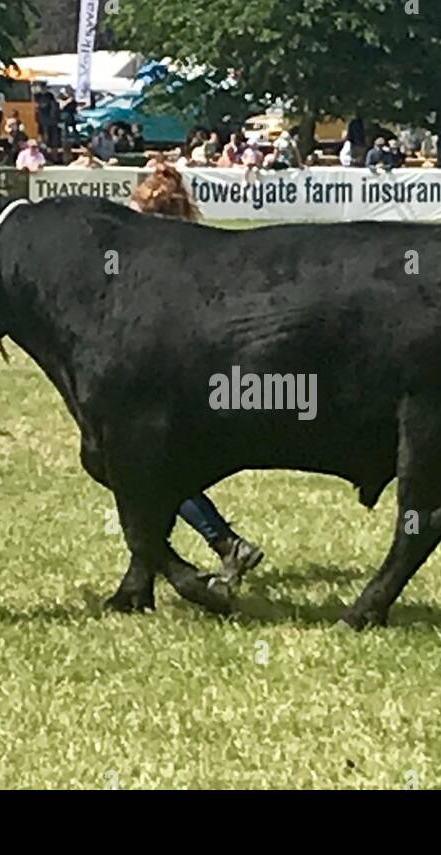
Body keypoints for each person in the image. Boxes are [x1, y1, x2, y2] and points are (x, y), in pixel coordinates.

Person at [125, 163, 266, 586]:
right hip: (200, 373)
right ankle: (147, 570)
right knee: (154, 470)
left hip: (169, 381)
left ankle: (224, 542)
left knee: (149, 466)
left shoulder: (149, 265)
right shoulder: (190, 255)